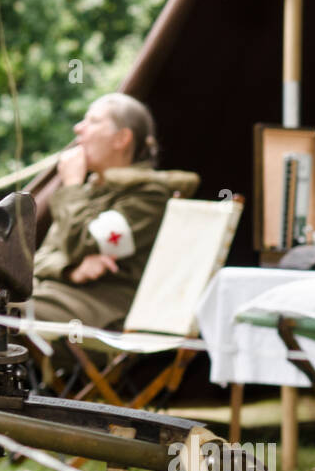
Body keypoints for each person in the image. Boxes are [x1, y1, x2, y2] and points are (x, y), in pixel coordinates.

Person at [30, 93, 199, 332]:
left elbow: (82, 243)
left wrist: (71, 186)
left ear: (122, 138)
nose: (79, 128)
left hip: (100, 309)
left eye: (93, 121)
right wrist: (71, 269)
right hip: (54, 294)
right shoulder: (89, 190)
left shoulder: (148, 195)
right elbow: (39, 260)